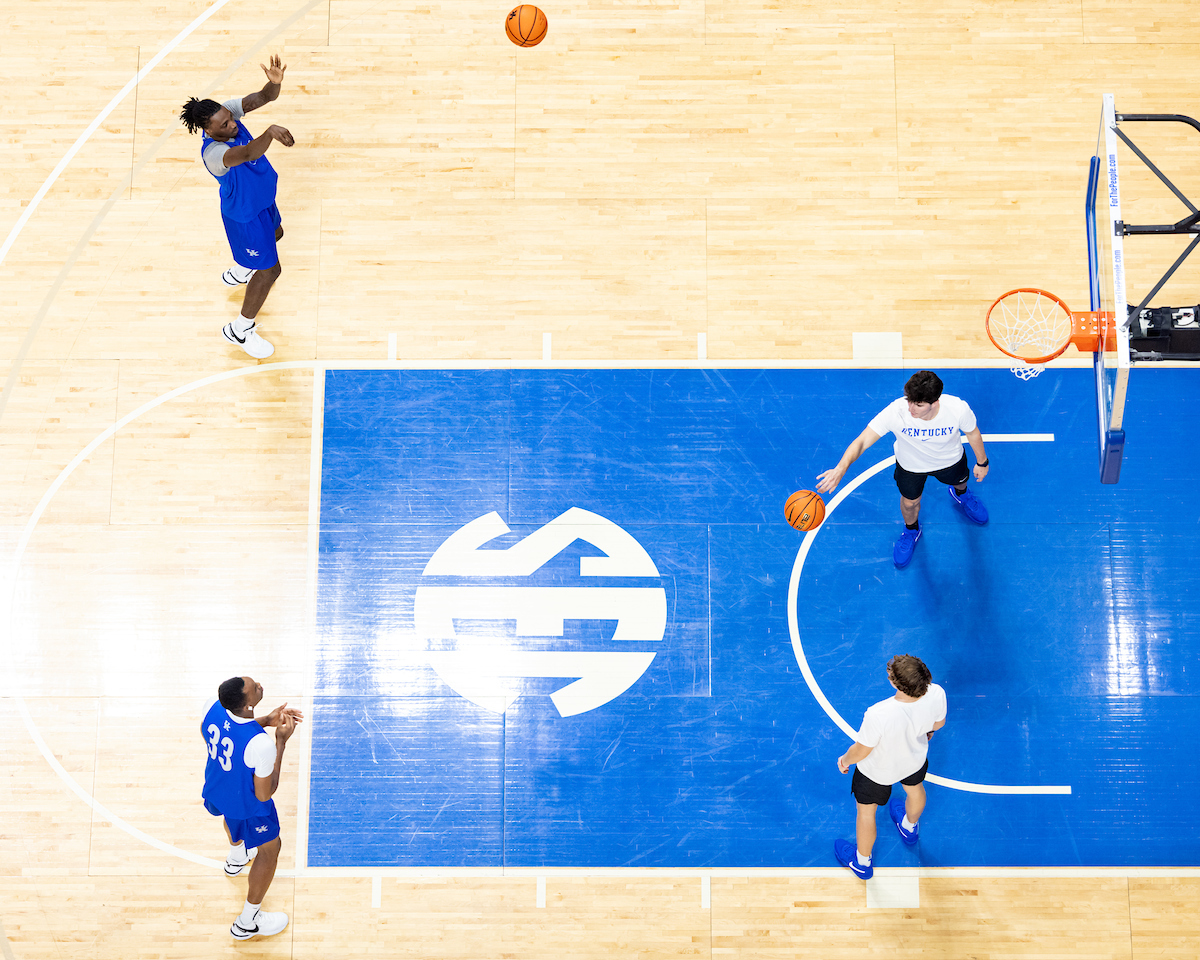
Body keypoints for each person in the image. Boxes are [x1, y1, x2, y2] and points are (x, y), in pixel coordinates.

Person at [179, 55, 294, 360]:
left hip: (262, 201)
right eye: (225, 125)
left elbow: (263, 97)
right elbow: (246, 152)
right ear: (209, 130)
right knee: (270, 271)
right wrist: (269, 132)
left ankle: (244, 265)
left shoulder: (226, 114)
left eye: (231, 119)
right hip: (244, 216)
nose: (232, 124)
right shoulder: (216, 153)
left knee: (277, 233)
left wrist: (274, 83)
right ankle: (240, 329)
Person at [816, 370, 989, 568]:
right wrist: (840, 468)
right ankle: (911, 530)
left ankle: (962, 495)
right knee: (909, 504)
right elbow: (863, 441)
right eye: (909, 400)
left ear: (935, 402)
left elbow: (973, 434)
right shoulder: (896, 411)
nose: (910, 408)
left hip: (949, 461)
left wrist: (982, 462)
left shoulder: (957, 409)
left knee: (960, 482)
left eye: (918, 404)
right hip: (911, 467)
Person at [201, 676, 302, 940]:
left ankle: (236, 857)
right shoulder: (261, 745)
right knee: (270, 849)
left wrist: (265, 721)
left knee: (230, 817)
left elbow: (211, 732)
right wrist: (281, 741)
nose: (260, 686)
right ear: (246, 706)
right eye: (255, 687)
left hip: (217, 786)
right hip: (247, 804)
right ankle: (248, 922)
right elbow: (265, 792)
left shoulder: (212, 707)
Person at [833, 654, 947, 880]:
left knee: (866, 812)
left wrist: (845, 760)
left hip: (876, 772)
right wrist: (927, 731)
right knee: (915, 789)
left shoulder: (879, 713)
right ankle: (909, 826)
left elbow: (862, 750)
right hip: (914, 760)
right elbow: (937, 724)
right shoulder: (937, 693)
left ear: (897, 684)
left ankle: (862, 863)